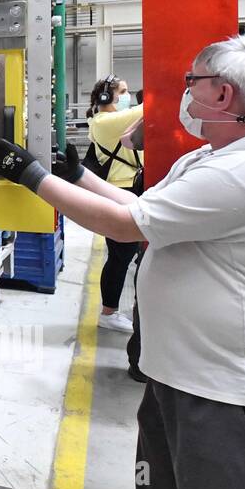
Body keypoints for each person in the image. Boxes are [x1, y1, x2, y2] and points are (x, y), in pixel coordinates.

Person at [0, 34, 245, 489]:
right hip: (183, 376)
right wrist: (78, 175)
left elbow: (125, 225)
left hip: (234, 393)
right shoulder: (211, 157)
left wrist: (32, 177)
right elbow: (144, 205)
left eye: (194, 81)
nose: (186, 91)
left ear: (224, 94)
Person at [84, 75, 143, 335]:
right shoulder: (105, 122)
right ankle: (109, 313)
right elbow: (149, 108)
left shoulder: (115, 119)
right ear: (107, 97)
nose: (127, 97)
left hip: (131, 186)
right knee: (120, 255)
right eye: (123, 91)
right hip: (119, 189)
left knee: (124, 254)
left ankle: (112, 310)